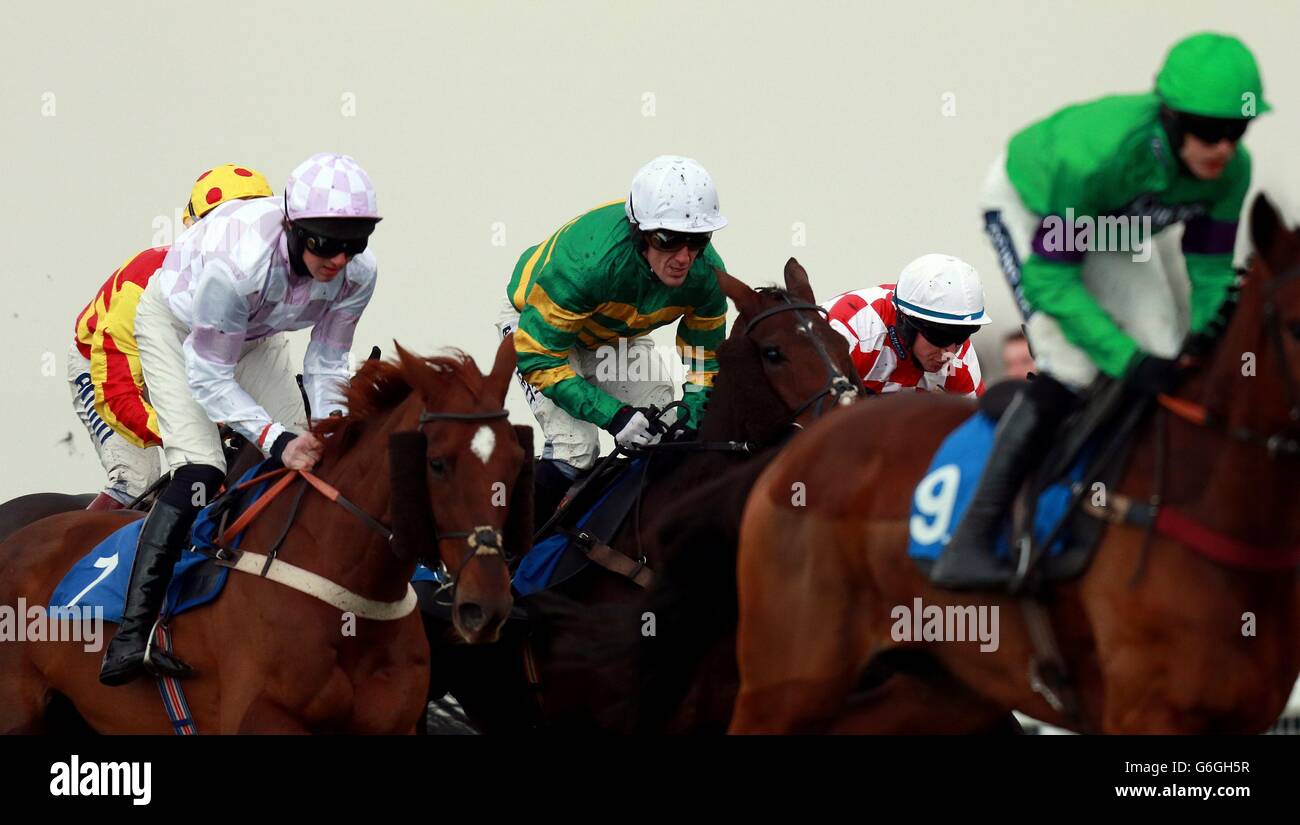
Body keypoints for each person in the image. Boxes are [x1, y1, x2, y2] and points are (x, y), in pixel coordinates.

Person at [934, 32, 1267, 588]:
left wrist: (1204, 339)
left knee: (1165, 346)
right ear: (1171, 117)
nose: (1224, 148)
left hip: (1113, 223)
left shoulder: (1232, 172)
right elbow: (1051, 277)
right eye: (1210, 131)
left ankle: (1122, 499)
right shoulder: (1099, 156)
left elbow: (1208, 270)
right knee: (1078, 364)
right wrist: (1123, 357)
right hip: (1034, 208)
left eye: (1236, 131)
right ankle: (972, 536)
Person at [99, 153, 381, 685]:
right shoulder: (240, 265)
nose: (339, 259)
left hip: (253, 331)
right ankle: (131, 636)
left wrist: (332, 430)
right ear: (294, 227)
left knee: (318, 457)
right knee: (202, 472)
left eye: (355, 244)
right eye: (324, 242)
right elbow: (208, 376)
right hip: (181, 332)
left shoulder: (358, 274)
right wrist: (276, 441)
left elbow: (326, 362)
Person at [495, 155, 729, 521]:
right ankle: (513, 556)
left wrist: (692, 419)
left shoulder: (707, 275)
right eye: (669, 240)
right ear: (640, 233)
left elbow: (706, 363)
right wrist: (613, 416)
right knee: (578, 449)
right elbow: (542, 358)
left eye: (698, 240)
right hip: (539, 333)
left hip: (613, 336)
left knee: (665, 430)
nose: (684, 257)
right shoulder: (588, 264)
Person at [70, 165, 273, 510]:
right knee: (136, 478)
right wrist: (187, 432)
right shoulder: (142, 286)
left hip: (185, 363)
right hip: (109, 370)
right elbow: (118, 393)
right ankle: (76, 558)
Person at [823, 254, 989, 397]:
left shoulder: (958, 358)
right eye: (940, 337)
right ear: (904, 321)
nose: (950, 353)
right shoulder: (848, 332)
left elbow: (980, 428)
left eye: (961, 336)